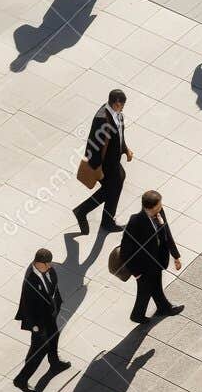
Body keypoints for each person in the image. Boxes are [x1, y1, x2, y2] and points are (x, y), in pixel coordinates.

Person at [72, 89, 132, 234]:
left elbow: (120, 135)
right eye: (122, 104)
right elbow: (93, 146)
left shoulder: (118, 115)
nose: (123, 107)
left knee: (117, 183)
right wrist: (98, 169)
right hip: (103, 165)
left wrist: (125, 149)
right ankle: (84, 212)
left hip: (113, 161)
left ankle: (105, 220)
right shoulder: (102, 120)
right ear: (117, 103)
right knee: (111, 188)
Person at [120, 190, 183, 324]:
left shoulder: (159, 213)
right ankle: (137, 315)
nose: (161, 207)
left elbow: (167, 234)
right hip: (143, 266)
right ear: (150, 207)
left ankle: (163, 307)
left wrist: (175, 256)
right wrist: (136, 273)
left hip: (157, 260)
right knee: (145, 291)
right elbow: (125, 250)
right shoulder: (135, 222)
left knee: (156, 286)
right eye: (159, 205)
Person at [12, 248, 70, 392]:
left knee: (54, 335)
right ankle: (21, 380)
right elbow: (26, 305)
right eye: (48, 264)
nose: (50, 266)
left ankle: (54, 361)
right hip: (38, 321)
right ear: (39, 263)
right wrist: (34, 326)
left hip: (49, 314)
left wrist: (57, 305)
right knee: (39, 349)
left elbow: (54, 288)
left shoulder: (49, 271)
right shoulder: (30, 279)